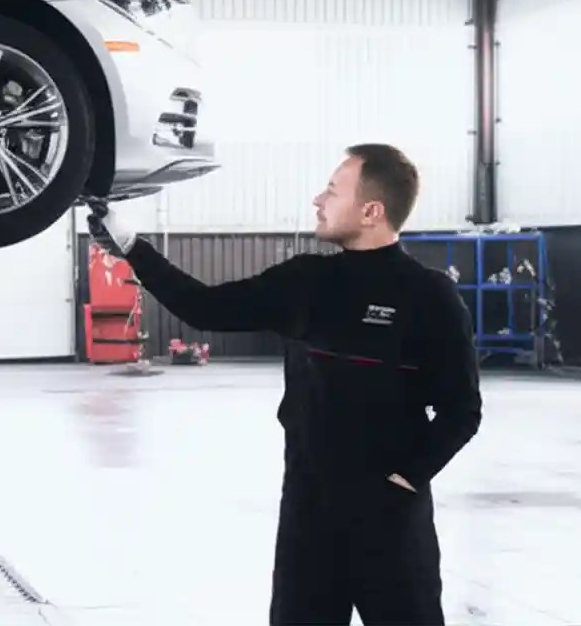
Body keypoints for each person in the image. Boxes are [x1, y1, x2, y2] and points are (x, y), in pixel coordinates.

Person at [87, 143, 481, 626]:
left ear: (371, 210)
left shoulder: (429, 296)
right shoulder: (306, 280)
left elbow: (462, 410)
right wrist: (131, 247)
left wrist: (407, 477)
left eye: (333, 191)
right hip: (308, 513)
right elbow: (206, 308)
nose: (318, 200)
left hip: (390, 520)